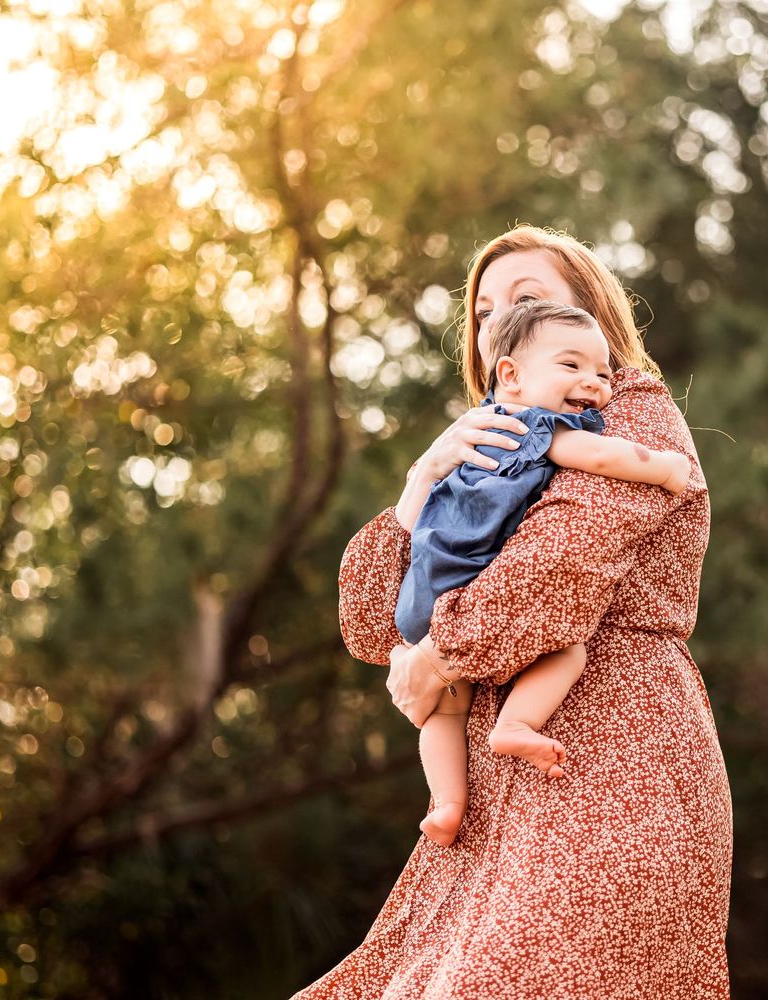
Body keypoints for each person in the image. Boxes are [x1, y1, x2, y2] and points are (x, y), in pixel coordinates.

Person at [290, 225, 731, 999]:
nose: (498, 318)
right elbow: (369, 625)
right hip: (497, 795)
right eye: (484, 311)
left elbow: (560, 564)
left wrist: (440, 655)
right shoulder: (489, 451)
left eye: (526, 299)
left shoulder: (625, 410)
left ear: (591, 319)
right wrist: (426, 473)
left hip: (612, 753)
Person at [389, 298, 692, 847]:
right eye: (571, 366)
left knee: (444, 711)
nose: (594, 385)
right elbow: (601, 458)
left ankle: (447, 801)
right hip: (474, 584)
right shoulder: (535, 425)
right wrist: (667, 467)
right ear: (512, 376)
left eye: (602, 373)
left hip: (422, 598)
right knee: (567, 649)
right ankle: (515, 724)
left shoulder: (473, 435)